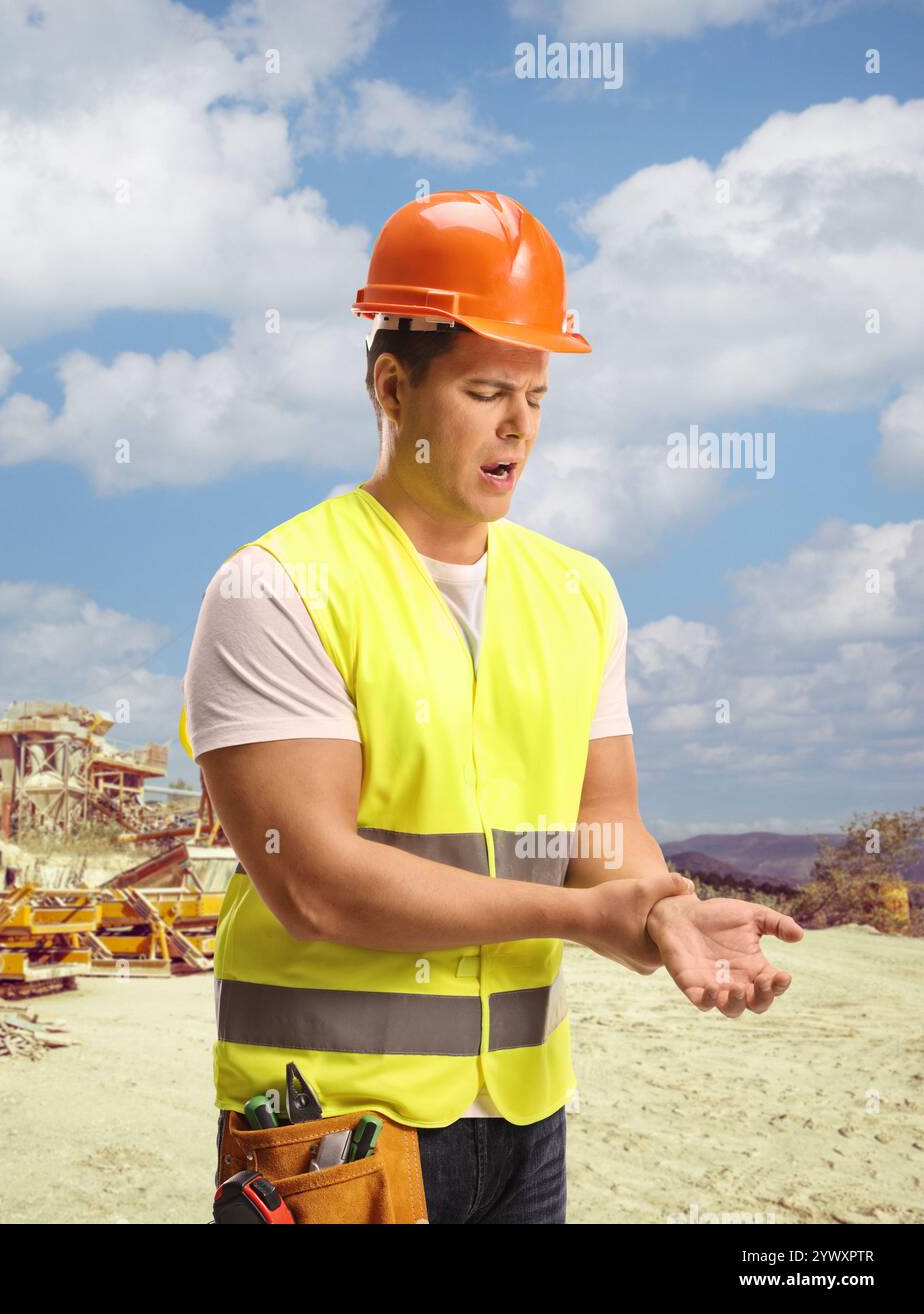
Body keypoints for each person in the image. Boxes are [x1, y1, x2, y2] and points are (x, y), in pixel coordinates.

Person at [181, 190, 802, 1224]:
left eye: (538, 394)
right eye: (483, 389)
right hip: (330, 1129)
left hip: (525, 1125)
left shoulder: (577, 592)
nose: (519, 424)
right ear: (392, 385)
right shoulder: (277, 585)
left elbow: (603, 828)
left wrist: (660, 905)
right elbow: (318, 886)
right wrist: (585, 918)